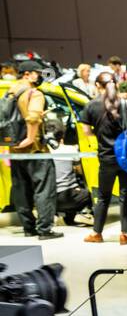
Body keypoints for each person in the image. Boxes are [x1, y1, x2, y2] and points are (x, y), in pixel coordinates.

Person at [7, 61, 63, 240]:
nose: (38, 76)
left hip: (15, 150)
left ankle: (28, 227)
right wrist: (30, 138)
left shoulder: (10, 92)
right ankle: (45, 229)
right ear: (27, 74)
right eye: (37, 73)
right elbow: (32, 118)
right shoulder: (34, 93)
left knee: (21, 190)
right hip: (35, 150)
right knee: (44, 189)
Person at [80, 71, 127, 244]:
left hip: (106, 158)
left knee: (103, 196)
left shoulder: (91, 105)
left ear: (97, 86)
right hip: (126, 157)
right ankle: (124, 234)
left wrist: (99, 135)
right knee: (126, 195)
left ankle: (97, 233)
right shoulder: (125, 104)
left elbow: (86, 132)